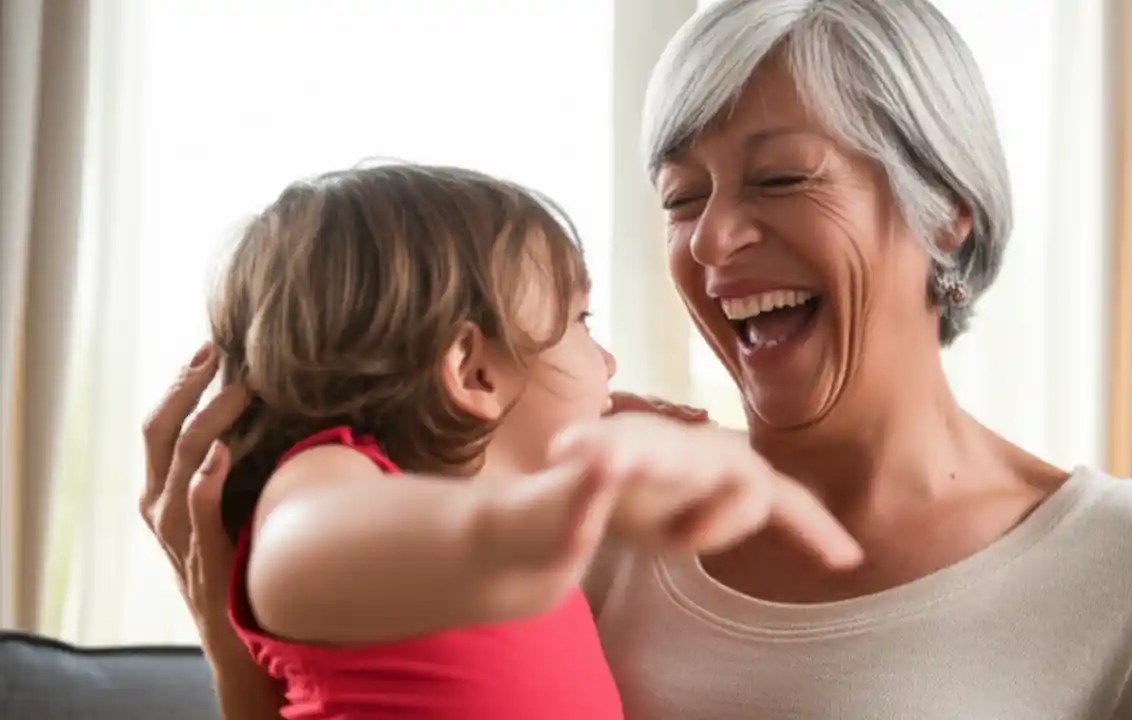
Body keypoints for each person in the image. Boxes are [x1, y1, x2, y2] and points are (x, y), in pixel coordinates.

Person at [143, 0, 1132, 717]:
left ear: (948, 217)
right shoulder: (583, 515)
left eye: (779, 178)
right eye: (681, 197)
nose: (713, 240)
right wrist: (234, 637)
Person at [152, 163, 859, 719]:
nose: (608, 364)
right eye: (583, 320)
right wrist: (551, 512)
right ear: (473, 369)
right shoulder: (332, 477)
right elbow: (299, 552)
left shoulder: (487, 509)